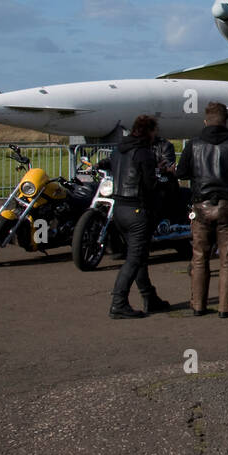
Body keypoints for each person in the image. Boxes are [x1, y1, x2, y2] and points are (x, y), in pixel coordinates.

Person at [175, 102, 228, 318]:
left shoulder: (194, 145)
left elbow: (181, 172)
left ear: (205, 120)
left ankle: (198, 305)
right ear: (226, 121)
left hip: (201, 205)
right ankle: (225, 308)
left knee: (200, 257)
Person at [101, 115, 172, 319]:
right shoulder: (144, 153)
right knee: (134, 259)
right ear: (149, 131)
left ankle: (150, 297)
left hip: (120, 207)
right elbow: (150, 185)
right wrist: (162, 180)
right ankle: (118, 302)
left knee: (138, 256)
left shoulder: (119, 150)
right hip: (137, 210)